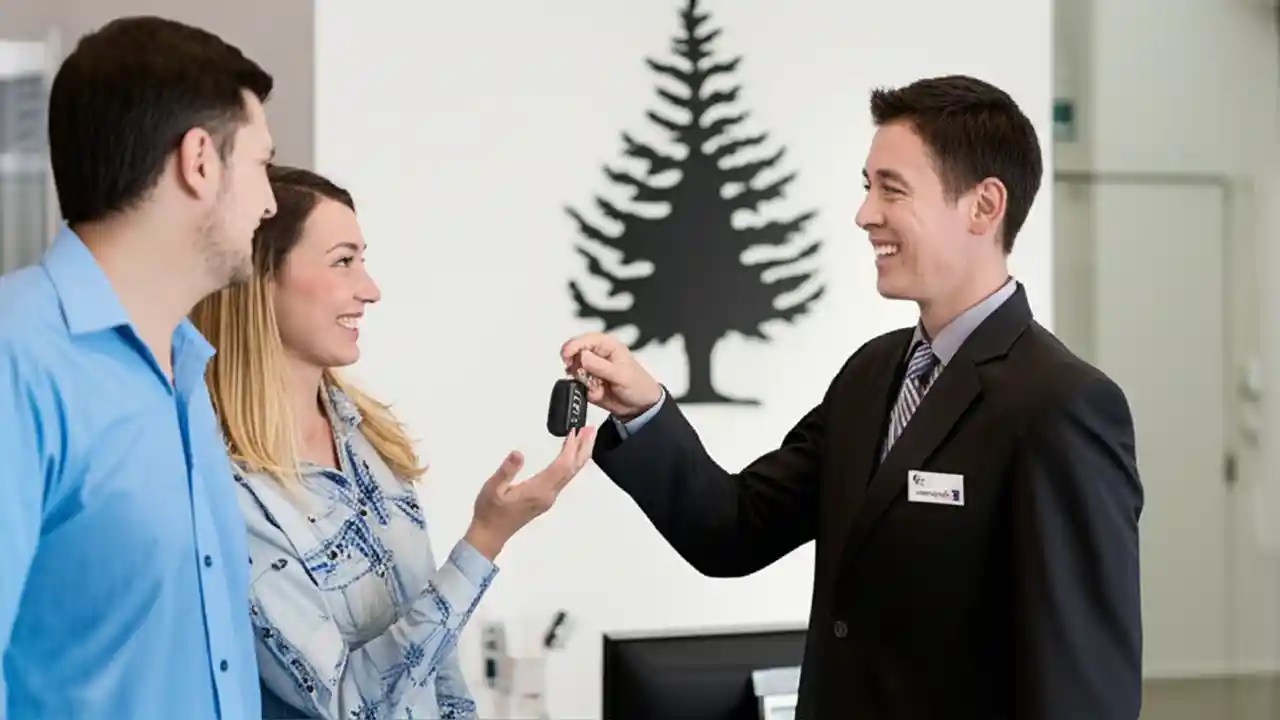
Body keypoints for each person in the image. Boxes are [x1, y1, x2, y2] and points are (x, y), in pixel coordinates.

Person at [561, 74, 1143, 719]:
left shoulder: (1062, 405)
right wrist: (646, 411)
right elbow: (732, 529)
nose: (865, 215)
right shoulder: (871, 374)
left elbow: (1085, 691)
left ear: (984, 206)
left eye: (892, 189)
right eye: (868, 188)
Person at [190, 165, 597, 720]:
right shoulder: (226, 487)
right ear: (262, 278)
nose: (370, 289)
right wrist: (485, 539)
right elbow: (347, 704)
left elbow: (437, 671)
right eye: (343, 261)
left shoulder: (366, 436)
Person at [0, 16, 278, 720]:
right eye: (262, 166)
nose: (272, 202)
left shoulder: (184, 370)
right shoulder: (18, 354)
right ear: (200, 161)